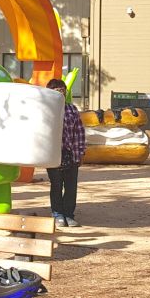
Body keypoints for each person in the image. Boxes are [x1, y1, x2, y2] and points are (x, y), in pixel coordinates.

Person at [47, 78, 86, 227]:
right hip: (53, 155)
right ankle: (57, 214)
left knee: (71, 186)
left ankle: (69, 214)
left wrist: (81, 152)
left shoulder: (72, 109)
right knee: (56, 185)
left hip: (70, 153)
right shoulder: (46, 110)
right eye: (57, 91)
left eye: (62, 90)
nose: (60, 93)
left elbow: (79, 131)